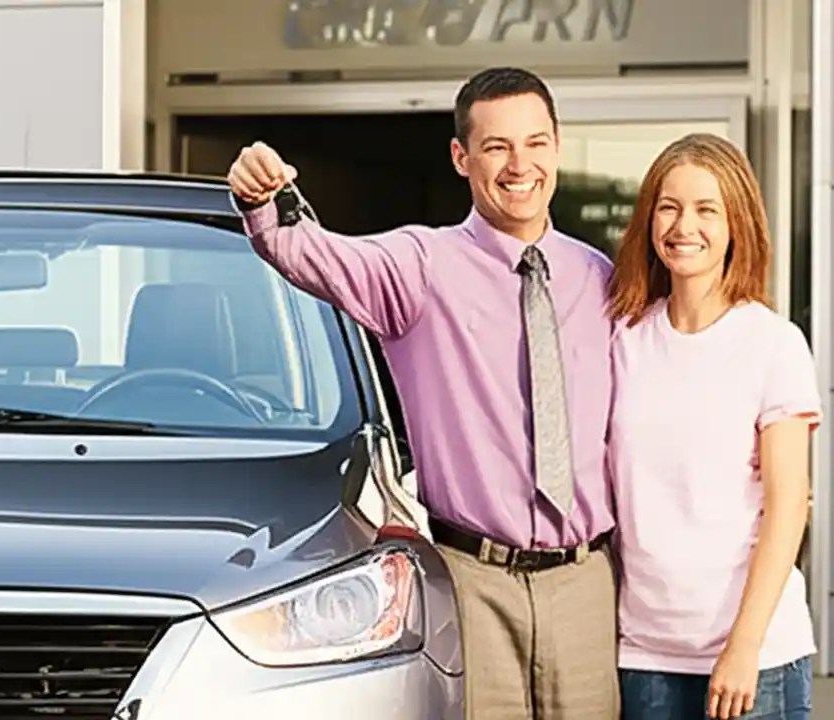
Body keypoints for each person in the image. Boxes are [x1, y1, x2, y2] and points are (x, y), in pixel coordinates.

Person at [227, 67, 618, 719]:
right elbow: (312, 254)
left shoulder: (599, 276)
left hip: (587, 584)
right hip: (473, 580)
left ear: (556, 145)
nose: (519, 164)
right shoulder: (419, 266)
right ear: (461, 158)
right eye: (496, 147)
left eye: (535, 142)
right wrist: (262, 202)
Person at [606, 132, 819, 720]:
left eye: (706, 209)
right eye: (669, 207)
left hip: (754, 655)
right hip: (645, 653)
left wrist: (744, 645)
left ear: (737, 224)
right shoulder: (623, 339)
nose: (684, 226)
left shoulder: (772, 345)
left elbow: (787, 505)